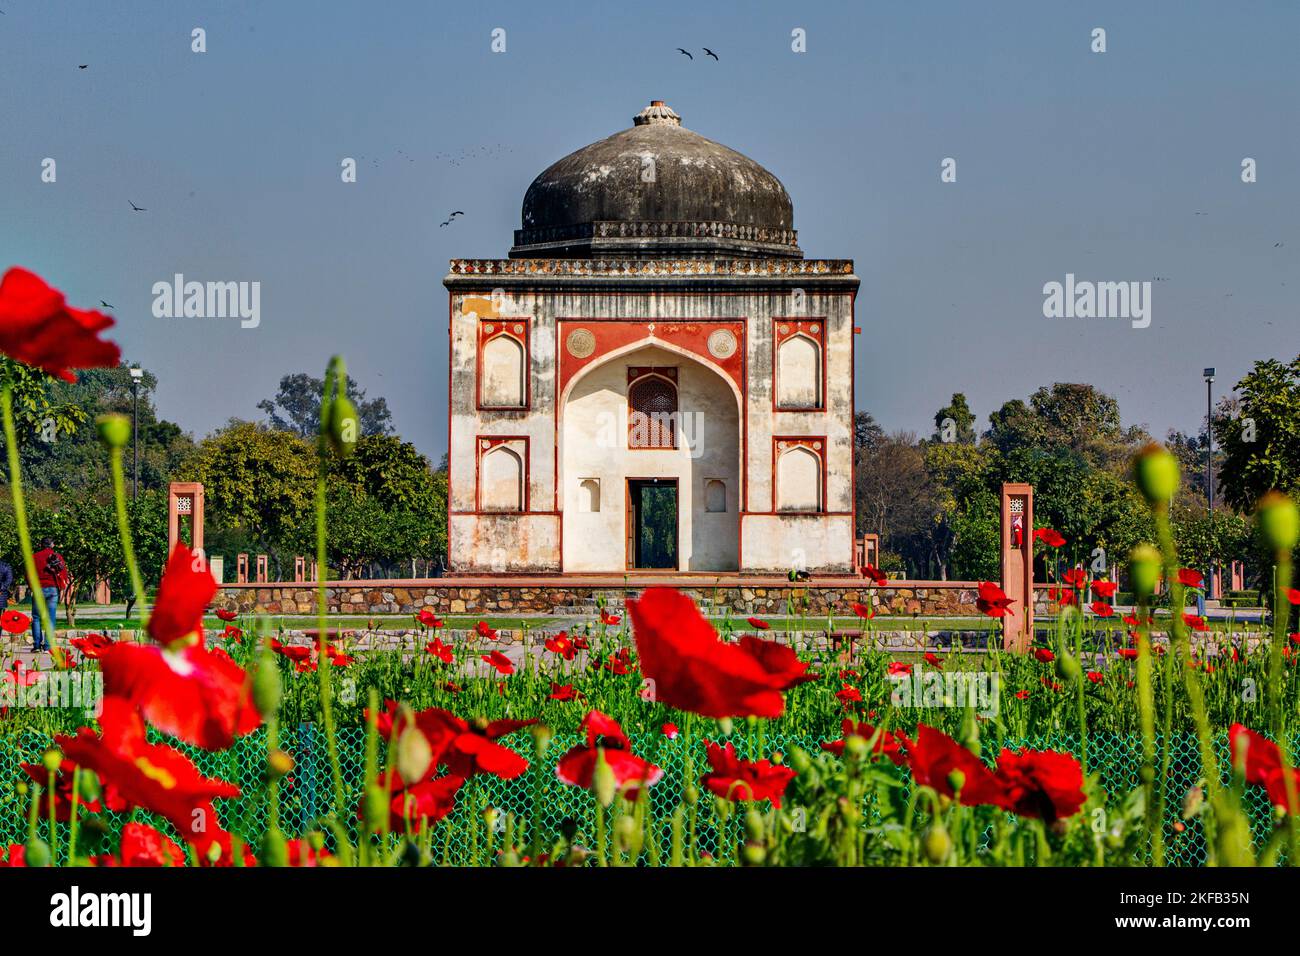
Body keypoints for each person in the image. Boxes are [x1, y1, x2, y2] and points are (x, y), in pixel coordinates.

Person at [30, 538, 68, 652]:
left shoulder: (34, 557)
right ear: (52, 544)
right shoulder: (57, 556)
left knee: (36, 617)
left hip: (38, 588)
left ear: (40, 545)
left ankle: (37, 645)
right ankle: (47, 646)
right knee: (50, 618)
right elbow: (64, 572)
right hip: (52, 589)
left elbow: (28, 573)